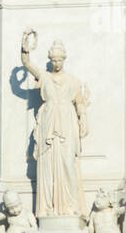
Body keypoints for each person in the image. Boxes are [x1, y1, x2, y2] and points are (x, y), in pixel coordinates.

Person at [20, 29, 89, 218]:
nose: (56, 63)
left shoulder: (73, 81)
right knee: (47, 168)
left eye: (59, 60)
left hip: (67, 121)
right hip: (48, 121)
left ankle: (71, 205)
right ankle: (47, 208)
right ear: (50, 60)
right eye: (54, 60)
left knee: (68, 163)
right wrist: (25, 48)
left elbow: (80, 102)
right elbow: (26, 64)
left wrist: (83, 119)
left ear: (64, 59)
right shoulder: (45, 77)